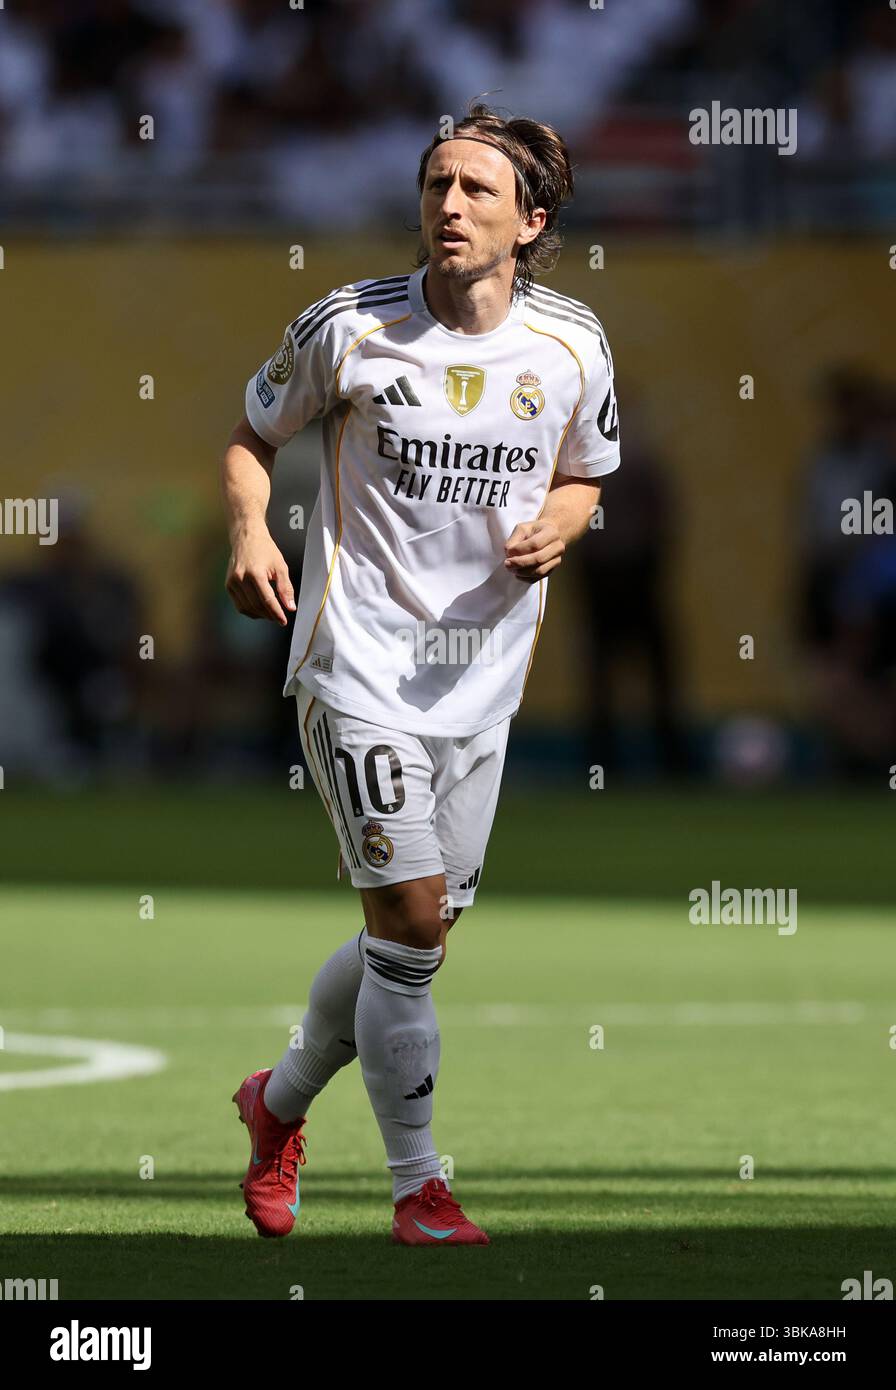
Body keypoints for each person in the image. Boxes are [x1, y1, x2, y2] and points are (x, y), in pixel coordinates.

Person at [220, 104, 621, 1246]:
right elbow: (252, 436)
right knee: (404, 923)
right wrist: (250, 533)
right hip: (356, 666)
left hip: (482, 682)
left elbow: (589, 470)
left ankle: (275, 1102)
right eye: (436, 184)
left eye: (475, 191)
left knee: (417, 935)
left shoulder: (572, 344)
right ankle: (417, 1190)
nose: (447, 205)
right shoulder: (346, 326)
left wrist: (561, 518)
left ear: (529, 220)